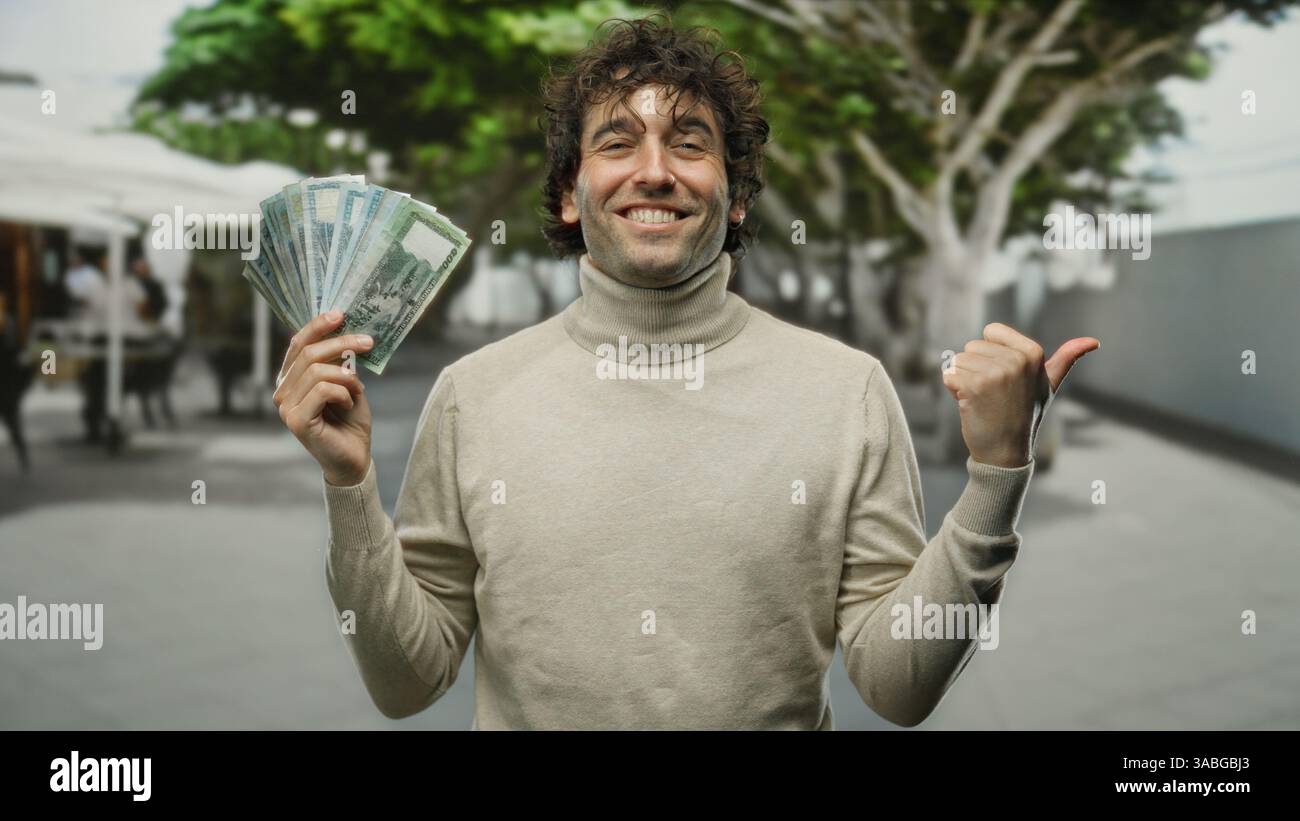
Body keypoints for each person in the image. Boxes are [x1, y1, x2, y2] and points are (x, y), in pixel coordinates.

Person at [275, 16, 1099, 729]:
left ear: (735, 197)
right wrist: (348, 487)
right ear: (571, 193)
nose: (656, 170)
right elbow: (405, 682)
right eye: (617, 142)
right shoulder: (471, 395)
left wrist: (996, 474)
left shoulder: (847, 391)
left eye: (690, 143)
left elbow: (897, 685)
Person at [0, 290, 33, 471]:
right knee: (14, 424)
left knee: (14, 424)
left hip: (7, 387)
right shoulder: (10, 323)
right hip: (9, 387)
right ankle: (23, 457)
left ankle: (23, 457)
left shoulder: (9, 324)